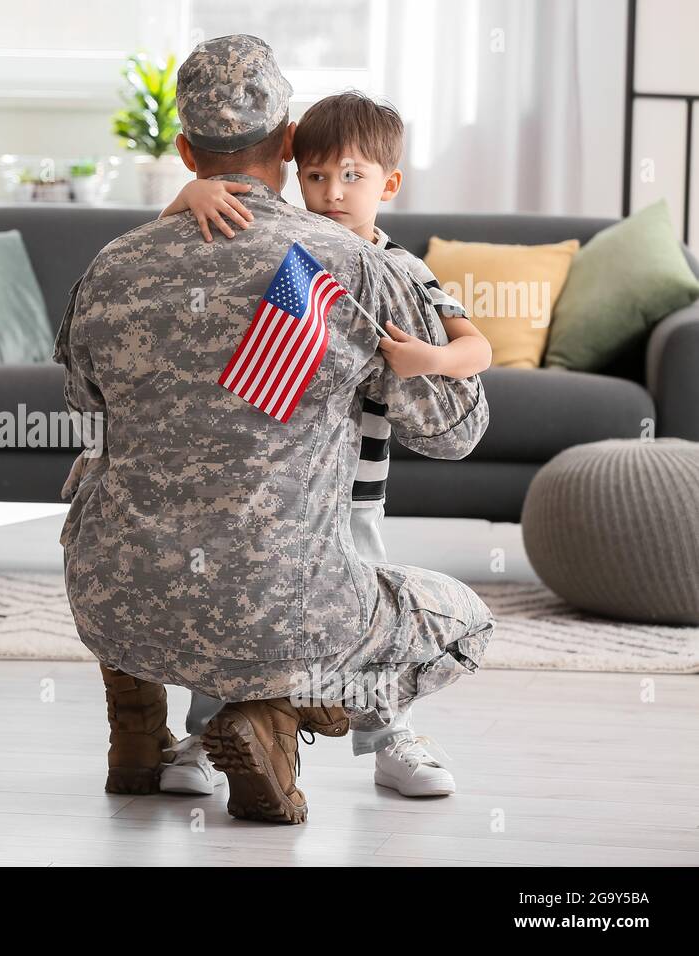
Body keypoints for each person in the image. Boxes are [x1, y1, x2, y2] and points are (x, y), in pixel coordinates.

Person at [55, 34, 495, 824]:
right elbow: (456, 431)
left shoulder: (113, 265)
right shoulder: (352, 265)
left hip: (119, 604)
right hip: (278, 610)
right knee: (466, 623)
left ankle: (137, 732)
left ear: (185, 148)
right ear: (291, 143)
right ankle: (278, 716)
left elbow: (86, 402)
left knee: (109, 498)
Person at [155, 91, 494, 798]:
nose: (331, 193)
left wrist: (425, 361)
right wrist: (190, 191)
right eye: (313, 176)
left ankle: (386, 737)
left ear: (388, 184)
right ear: (289, 172)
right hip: (265, 482)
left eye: (351, 176)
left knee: (360, 608)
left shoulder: (397, 267)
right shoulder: (271, 239)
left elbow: (477, 349)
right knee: (236, 599)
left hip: (354, 489)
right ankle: (206, 733)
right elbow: (162, 258)